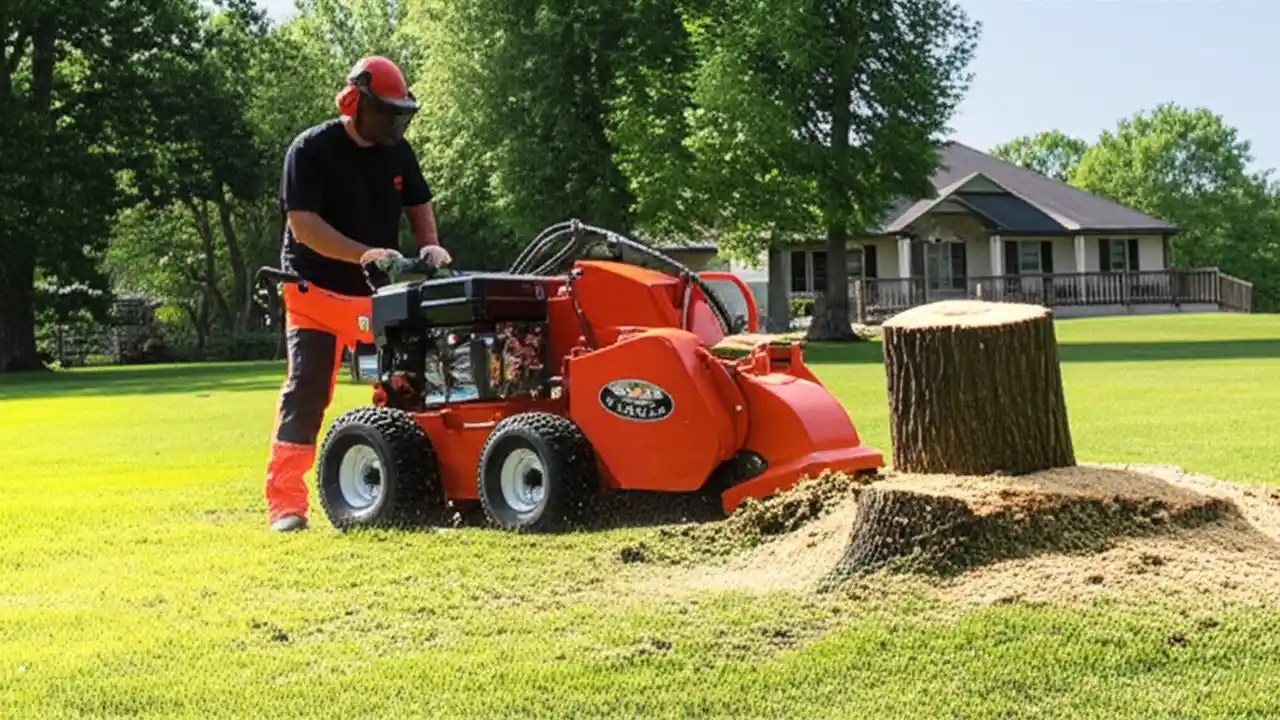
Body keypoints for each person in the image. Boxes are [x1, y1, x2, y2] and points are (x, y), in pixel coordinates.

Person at [263, 56, 452, 532]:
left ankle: (408, 494)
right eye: (387, 111)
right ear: (355, 103)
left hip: (379, 298)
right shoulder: (309, 150)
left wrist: (429, 244)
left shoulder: (398, 152)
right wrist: (364, 253)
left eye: (400, 112)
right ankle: (286, 505)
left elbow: (418, 203)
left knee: (404, 388)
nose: (396, 121)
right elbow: (303, 228)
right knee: (306, 393)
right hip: (314, 295)